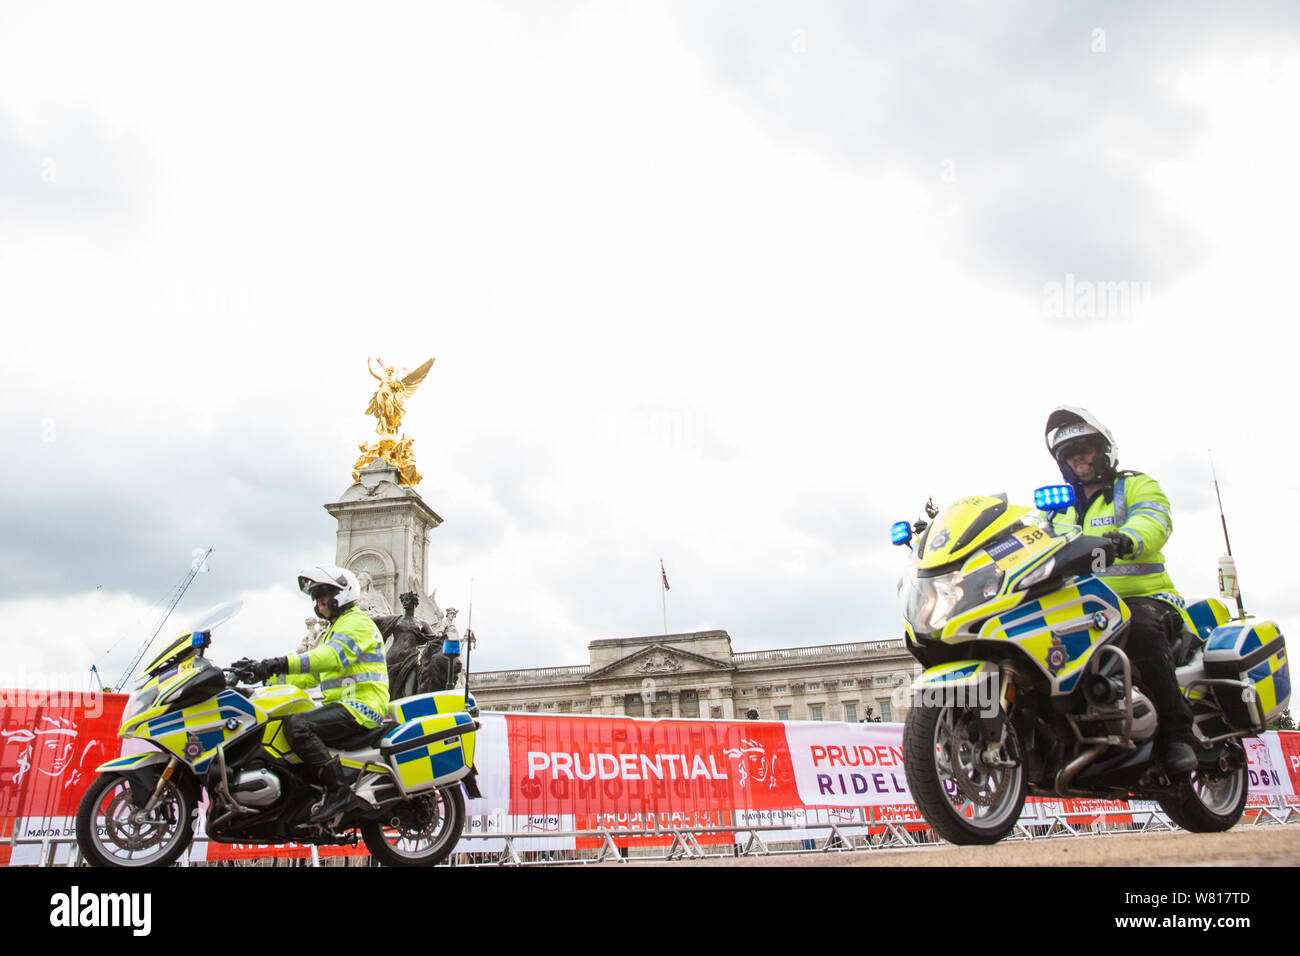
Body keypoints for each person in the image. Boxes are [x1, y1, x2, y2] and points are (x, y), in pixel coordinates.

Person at [1043, 406, 1196, 775]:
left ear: (1103, 450)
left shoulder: (1135, 486)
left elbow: (1154, 520)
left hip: (1146, 599)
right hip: (1082, 608)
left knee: (1138, 628)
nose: (1078, 457)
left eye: (1084, 448)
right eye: (1069, 453)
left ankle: (1178, 734)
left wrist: (1126, 538)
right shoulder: (1057, 508)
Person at [243, 565, 390, 822]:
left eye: (323, 593)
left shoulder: (356, 622)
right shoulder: (335, 629)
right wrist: (261, 678)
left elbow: (329, 657)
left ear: (342, 594)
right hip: (344, 707)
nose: (318, 600)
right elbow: (307, 676)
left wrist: (280, 661)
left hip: (362, 707)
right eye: (315, 596)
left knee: (298, 725)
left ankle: (338, 790)